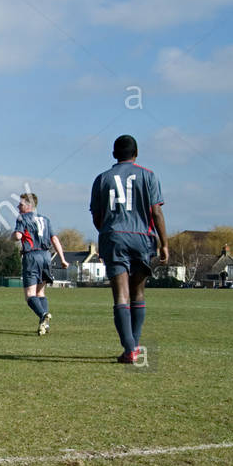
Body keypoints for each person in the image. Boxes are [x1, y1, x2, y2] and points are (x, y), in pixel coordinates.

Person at [89, 134, 167, 363]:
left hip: (114, 237)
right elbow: (157, 212)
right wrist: (165, 244)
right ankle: (134, 346)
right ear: (136, 154)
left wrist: (108, 231)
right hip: (142, 238)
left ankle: (130, 349)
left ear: (114, 154)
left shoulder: (102, 179)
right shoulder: (149, 176)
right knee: (138, 293)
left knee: (121, 296)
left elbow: (97, 216)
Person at [13, 192, 68, 335]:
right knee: (41, 292)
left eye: (21, 204)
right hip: (46, 256)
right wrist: (62, 259)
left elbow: (18, 236)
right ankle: (45, 325)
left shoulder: (22, 218)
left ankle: (43, 315)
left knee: (30, 295)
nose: (18, 206)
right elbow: (54, 239)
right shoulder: (46, 219)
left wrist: (13, 236)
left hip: (31, 257)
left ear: (29, 206)